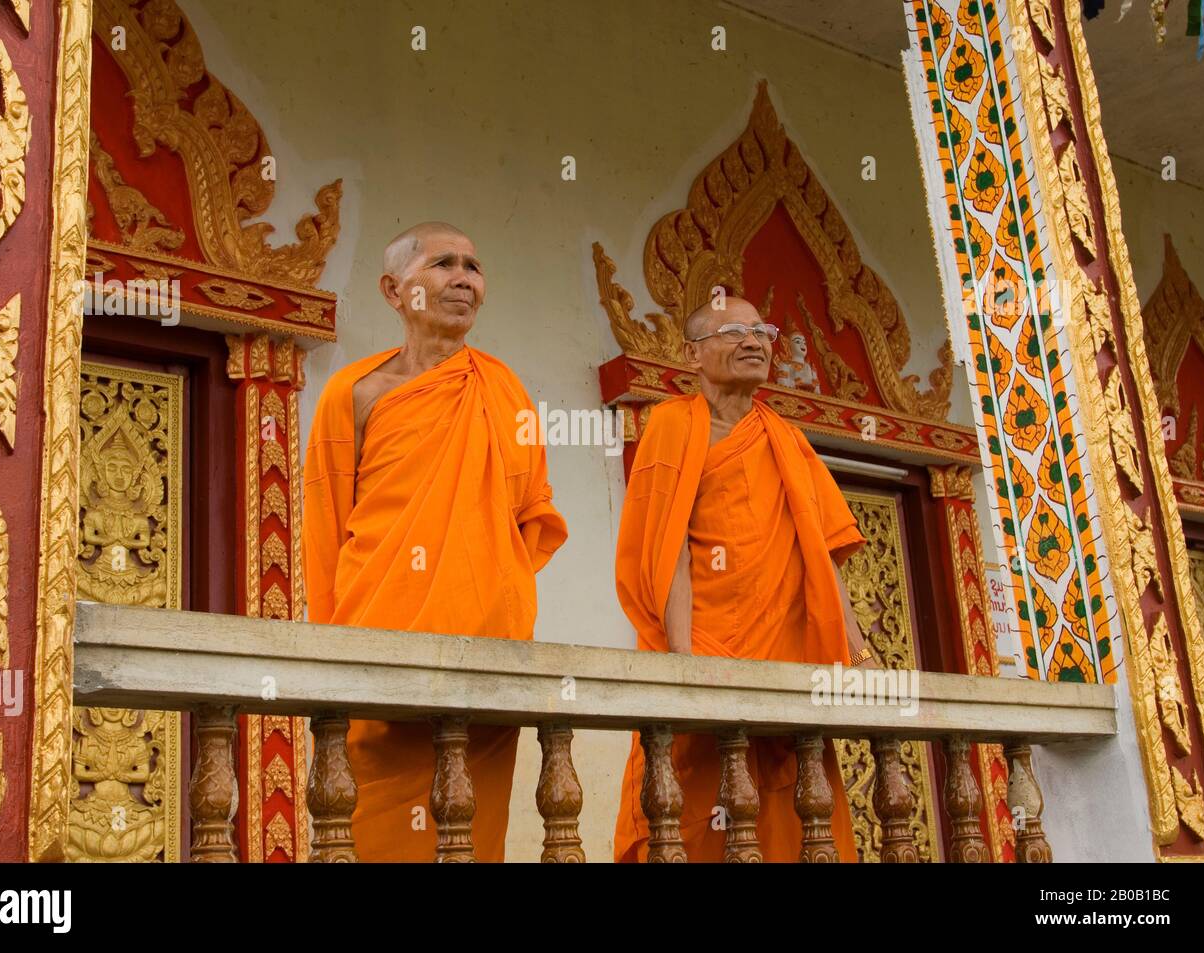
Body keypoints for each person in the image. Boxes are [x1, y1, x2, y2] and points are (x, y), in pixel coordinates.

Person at [303, 222, 567, 861]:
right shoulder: (355, 393)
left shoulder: (502, 389)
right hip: (377, 640)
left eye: (474, 268)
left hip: (488, 651)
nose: (464, 279)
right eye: (444, 263)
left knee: (467, 831)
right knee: (369, 832)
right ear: (395, 290)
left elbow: (529, 520)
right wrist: (336, 644)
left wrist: (482, 588)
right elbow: (325, 525)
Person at [613, 295, 873, 862]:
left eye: (763, 331)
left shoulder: (785, 437)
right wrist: (683, 662)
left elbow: (822, 555)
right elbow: (668, 550)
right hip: (707, 649)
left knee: (795, 819)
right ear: (692, 353)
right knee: (696, 816)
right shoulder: (672, 424)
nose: (754, 341)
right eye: (732, 330)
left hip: (786, 657)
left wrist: (862, 655)